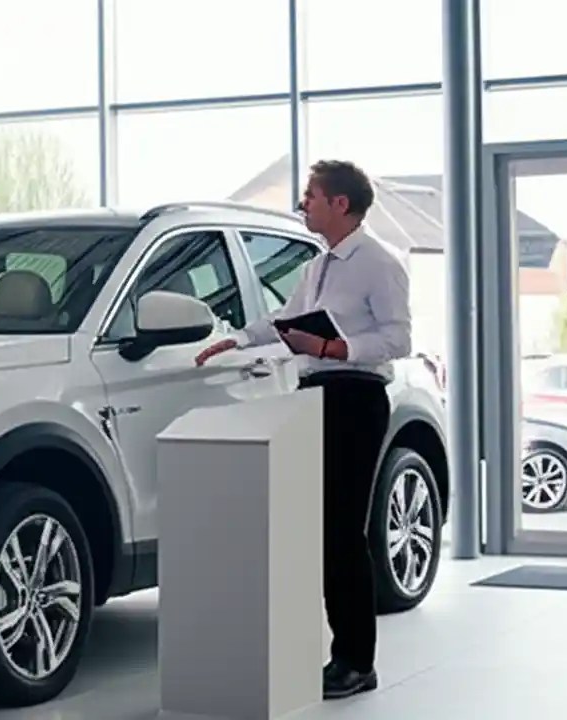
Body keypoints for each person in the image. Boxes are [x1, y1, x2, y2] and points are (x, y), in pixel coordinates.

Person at [195, 160, 411, 700]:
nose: (302, 205)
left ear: (341, 203)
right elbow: (286, 320)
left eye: (310, 196)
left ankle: (356, 662)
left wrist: (335, 348)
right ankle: (338, 655)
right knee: (321, 532)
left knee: (343, 531)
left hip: (355, 398)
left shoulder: (377, 262)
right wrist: (237, 340)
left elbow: (399, 338)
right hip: (314, 395)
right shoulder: (317, 267)